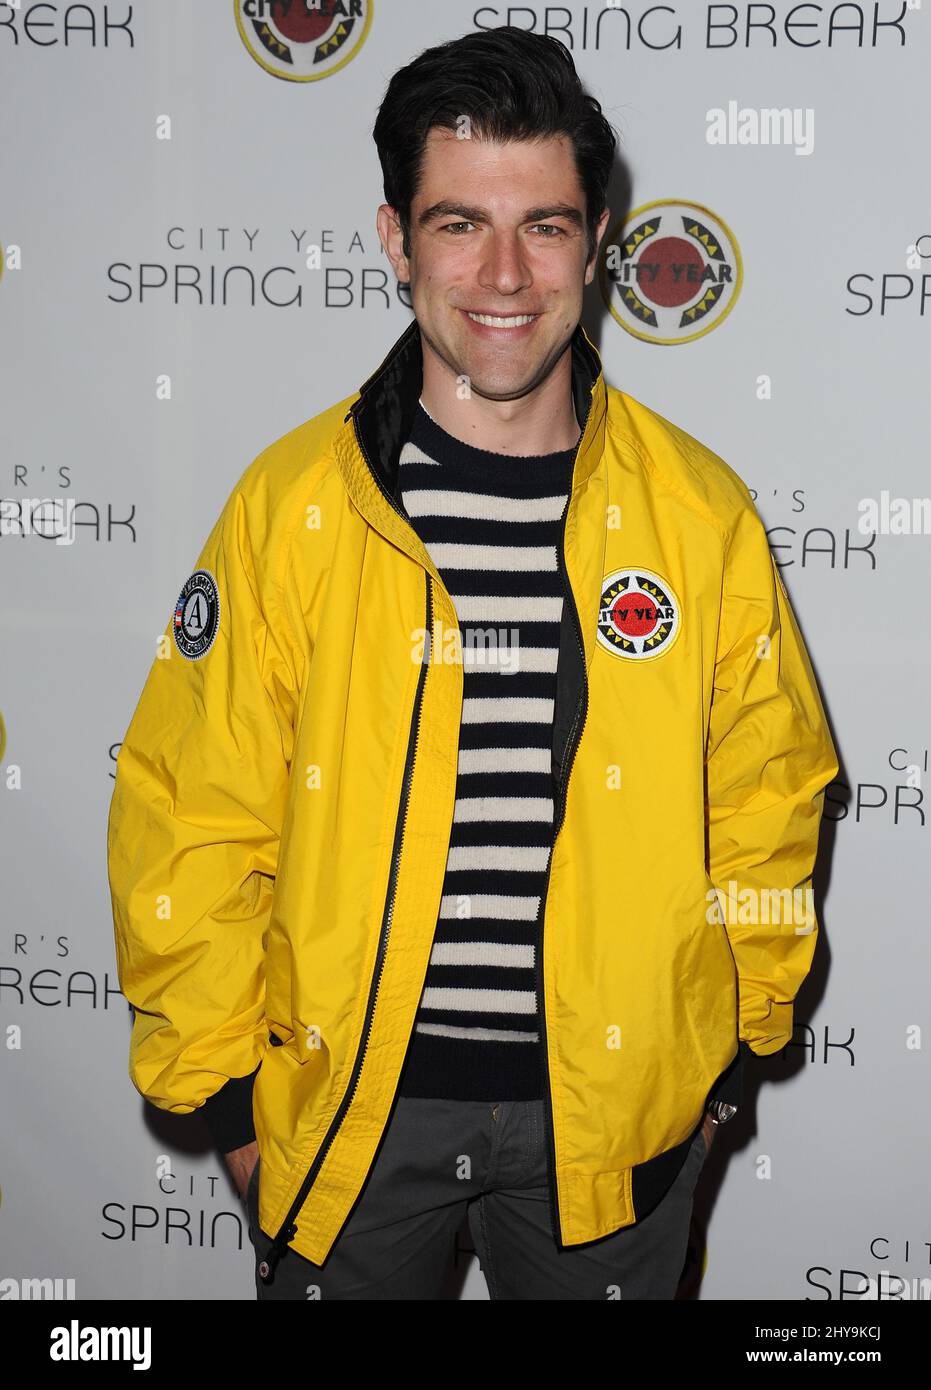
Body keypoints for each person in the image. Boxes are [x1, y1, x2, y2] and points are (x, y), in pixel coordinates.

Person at [108, 26, 838, 1301]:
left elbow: (767, 816)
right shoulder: (294, 508)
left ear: (598, 239)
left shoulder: (698, 515)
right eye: (459, 224)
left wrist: (727, 1059)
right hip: (346, 1121)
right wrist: (229, 1105)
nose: (504, 274)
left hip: (615, 1136)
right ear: (396, 239)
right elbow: (190, 816)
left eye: (545, 226)